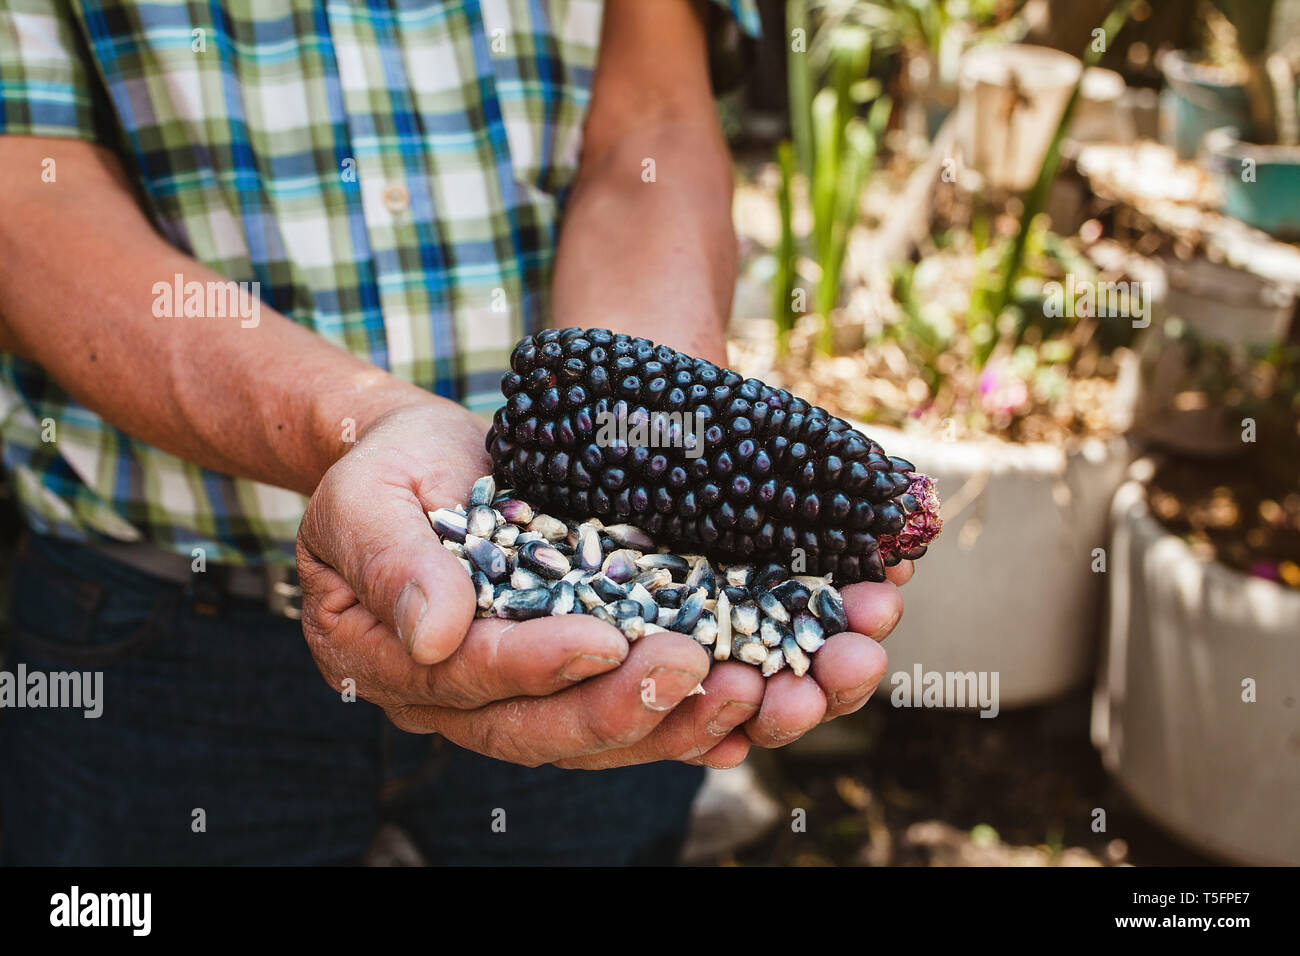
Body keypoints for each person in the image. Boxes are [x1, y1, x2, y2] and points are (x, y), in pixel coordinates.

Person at [0, 0, 908, 865]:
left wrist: (648, 444)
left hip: (582, 629)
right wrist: (363, 426)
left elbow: (652, 126)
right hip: (154, 640)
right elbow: (31, 200)